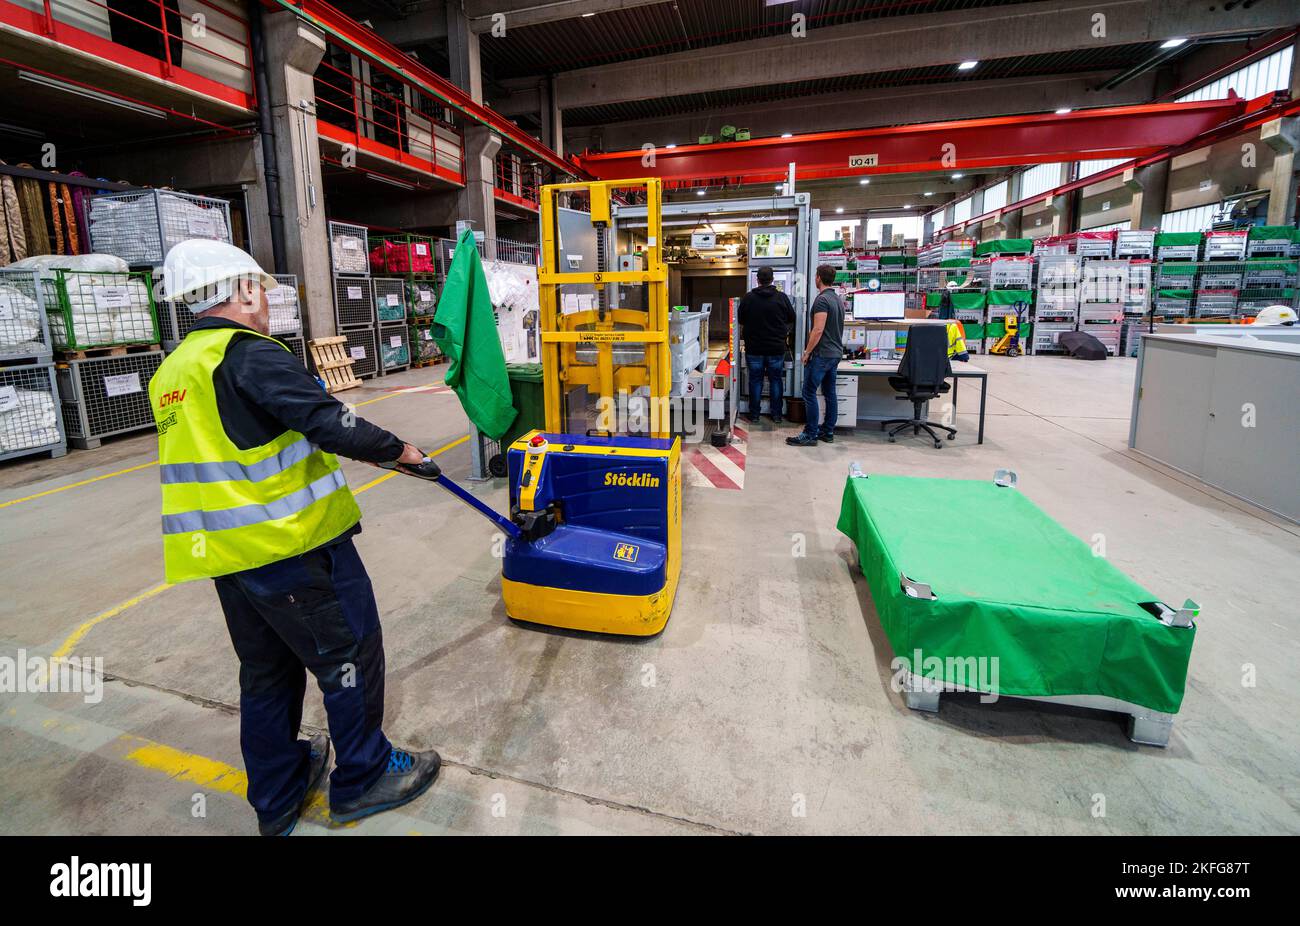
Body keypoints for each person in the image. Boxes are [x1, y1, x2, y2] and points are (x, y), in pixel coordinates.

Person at [149, 240, 441, 836]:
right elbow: (328, 419)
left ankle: (277, 797)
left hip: (230, 559)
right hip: (293, 549)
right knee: (349, 659)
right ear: (241, 290)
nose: (266, 300)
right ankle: (364, 778)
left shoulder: (174, 370)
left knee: (267, 673)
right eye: (261, 288)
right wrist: (399, 451)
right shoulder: (251, 354)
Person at [787, 264, 845, 447]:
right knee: (830, 393)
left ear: (818, 278)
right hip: (835, 353)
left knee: (809, 392)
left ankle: (810, 434)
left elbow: (818, 329)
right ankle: (827, 431)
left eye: (815, 276)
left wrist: (807, 352)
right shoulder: (837, 299)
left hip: (822, 354)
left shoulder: (822, 300)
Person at [737, 265, 795, 423]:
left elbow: (740, 319)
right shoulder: (781, 297)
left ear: (757, 280)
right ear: (772, 279)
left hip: (754, 349)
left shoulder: (748, 298)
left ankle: (754, 415)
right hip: (776, 348)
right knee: (776, 379)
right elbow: (792, 317)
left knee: (755, 380)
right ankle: (776, 415)